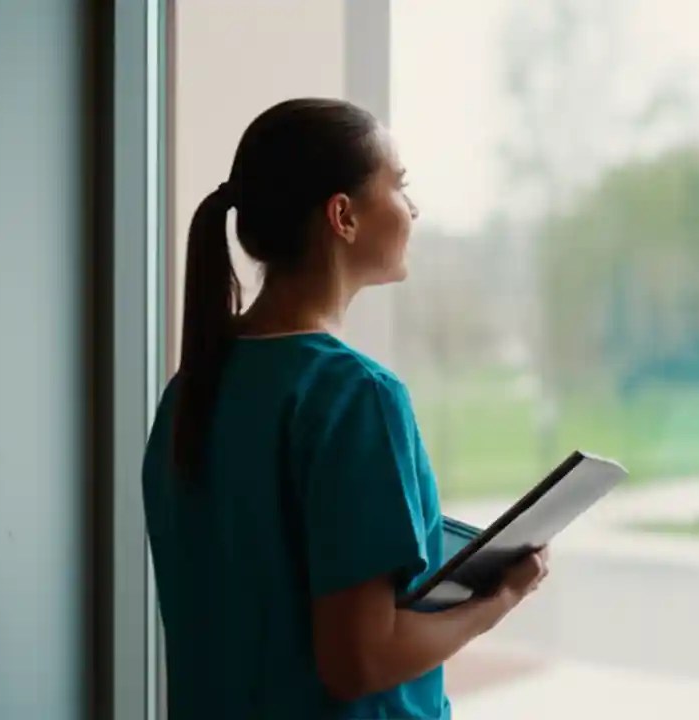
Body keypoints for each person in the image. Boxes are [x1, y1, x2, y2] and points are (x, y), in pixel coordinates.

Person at [141, 98, 549, 719]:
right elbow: (359, 661)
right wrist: (498, 601)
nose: (413, 209)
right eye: (400, 185)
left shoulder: (190, 390)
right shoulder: (355, 395)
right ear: (343, 216)